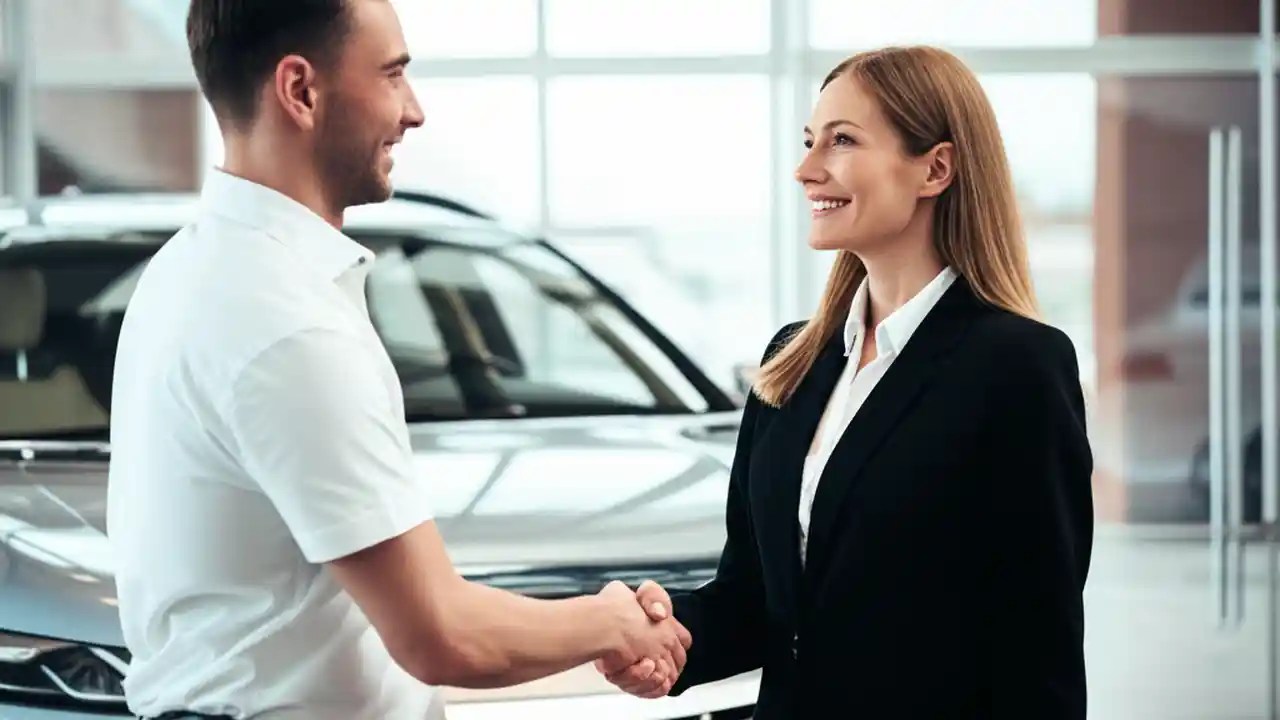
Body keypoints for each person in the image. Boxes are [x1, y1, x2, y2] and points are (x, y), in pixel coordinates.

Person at [106, 2, 688, 718]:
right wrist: (613, 621)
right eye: (392, 75)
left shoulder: (192, 270)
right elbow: (443, 635)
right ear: (301, 91)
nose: (414, 111)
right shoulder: (284, 319)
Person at [597, 45, 1094, 718]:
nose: (806, 170)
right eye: (809, 141)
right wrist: (667, 637)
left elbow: (1038, 651)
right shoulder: (791, 363)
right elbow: (757, 601)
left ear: (935, 168)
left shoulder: (1018, 368)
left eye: (842, 140)